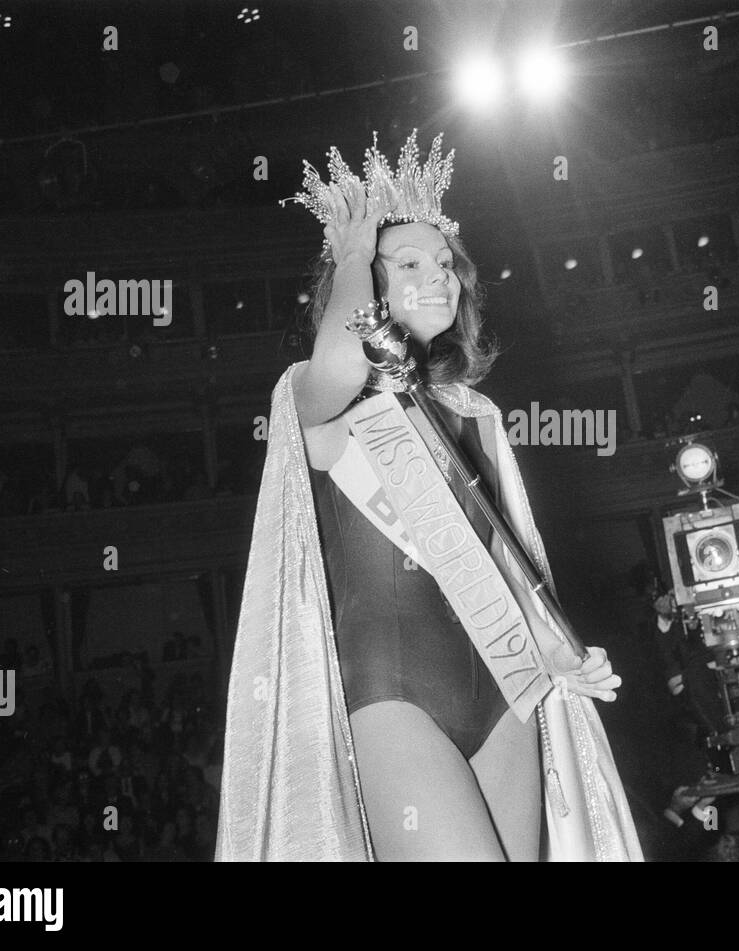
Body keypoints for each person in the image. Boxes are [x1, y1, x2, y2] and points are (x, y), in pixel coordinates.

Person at [215, 130, 641, 862]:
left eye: (445, 263)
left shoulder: (477, 416)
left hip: (506, 689)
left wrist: (551, 648)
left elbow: (501, 564)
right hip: (392, 690)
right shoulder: (319, 405)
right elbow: (347, 359)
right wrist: (354, 252)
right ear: (367, 285)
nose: (440, 276)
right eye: (408, 263)